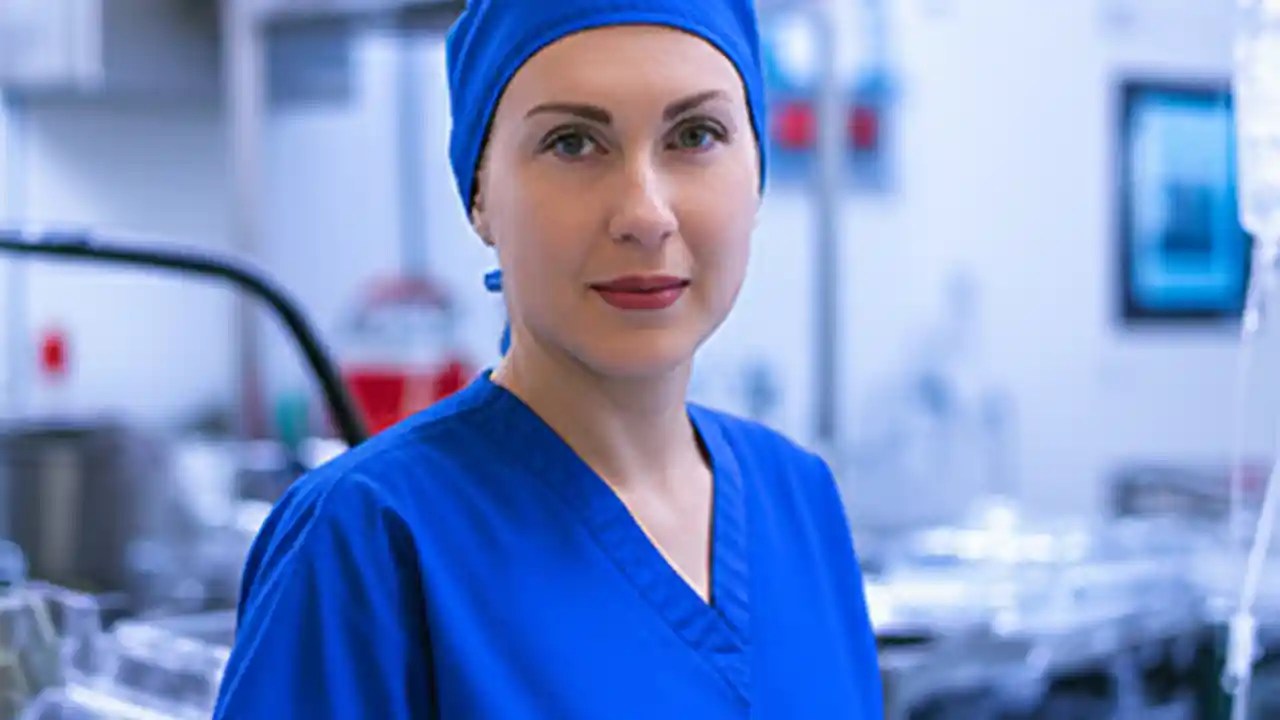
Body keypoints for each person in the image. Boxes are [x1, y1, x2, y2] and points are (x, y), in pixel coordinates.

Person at [212, 0, 884, 717]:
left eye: (696, 135)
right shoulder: (368, 538)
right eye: (573, 143)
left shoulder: (798, 499)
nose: (645, 214)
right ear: (480, 196)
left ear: (756, 173)